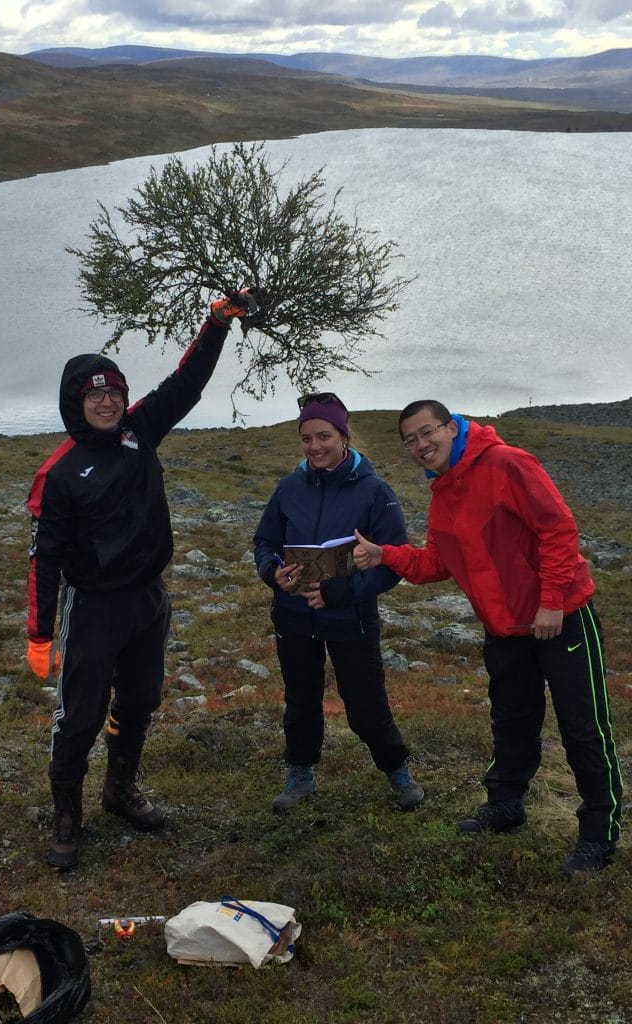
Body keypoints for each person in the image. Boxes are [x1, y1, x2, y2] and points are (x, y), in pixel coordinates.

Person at [26, 290, 255, 869]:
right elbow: (44, 557)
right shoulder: (57, 473)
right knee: (78, 716)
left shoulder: (139, 431)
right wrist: (39, 632)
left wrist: (217, 324)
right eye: (94, 394)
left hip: (148, 599)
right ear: (76, 403)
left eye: (114, 390)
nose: (106, 401)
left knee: (141, 699)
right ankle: (67, 818)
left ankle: (120, 791)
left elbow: (186, 383)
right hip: (96, 608)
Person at [352, 399, 623, 878]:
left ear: (452, 427)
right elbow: (438, 562)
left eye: (427, 431)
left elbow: (557, 529)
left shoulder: (507, 463)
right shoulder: (443, 492)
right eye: (410, 440)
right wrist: (384, 555)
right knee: (512, 721)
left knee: (584, 728)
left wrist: (552, 600)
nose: (420, 445)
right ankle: (506, 805)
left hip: (562, 619)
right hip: (505, 629)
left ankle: (598, 835)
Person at [253, 392, 425, 814]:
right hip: (293, 616)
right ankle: (300, 773)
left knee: (366, 702)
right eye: (307, 438)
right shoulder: (288, 488)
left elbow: (392, 563)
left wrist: (339, 592)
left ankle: (397, 770)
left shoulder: (374, 491)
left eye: (324, 436)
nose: (315, 447)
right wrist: (272, 571)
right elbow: (264, 541)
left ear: (343, 435)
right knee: (300, 699)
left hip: (351, 617)